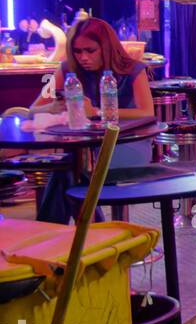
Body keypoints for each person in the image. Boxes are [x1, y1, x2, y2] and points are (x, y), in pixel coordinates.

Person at [30, 17, 155, 221]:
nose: (83, 57)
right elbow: (33, 109)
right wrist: (53, 107)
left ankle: (54, 236)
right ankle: (95, 233)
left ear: (105, 48)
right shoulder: (67, 69)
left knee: (66, 172)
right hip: (84, 151)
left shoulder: (132, 69)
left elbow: (147, 112)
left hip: (126, 146)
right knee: (66, 171)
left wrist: (96, 111)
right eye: (78, 51)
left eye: (90, 50)